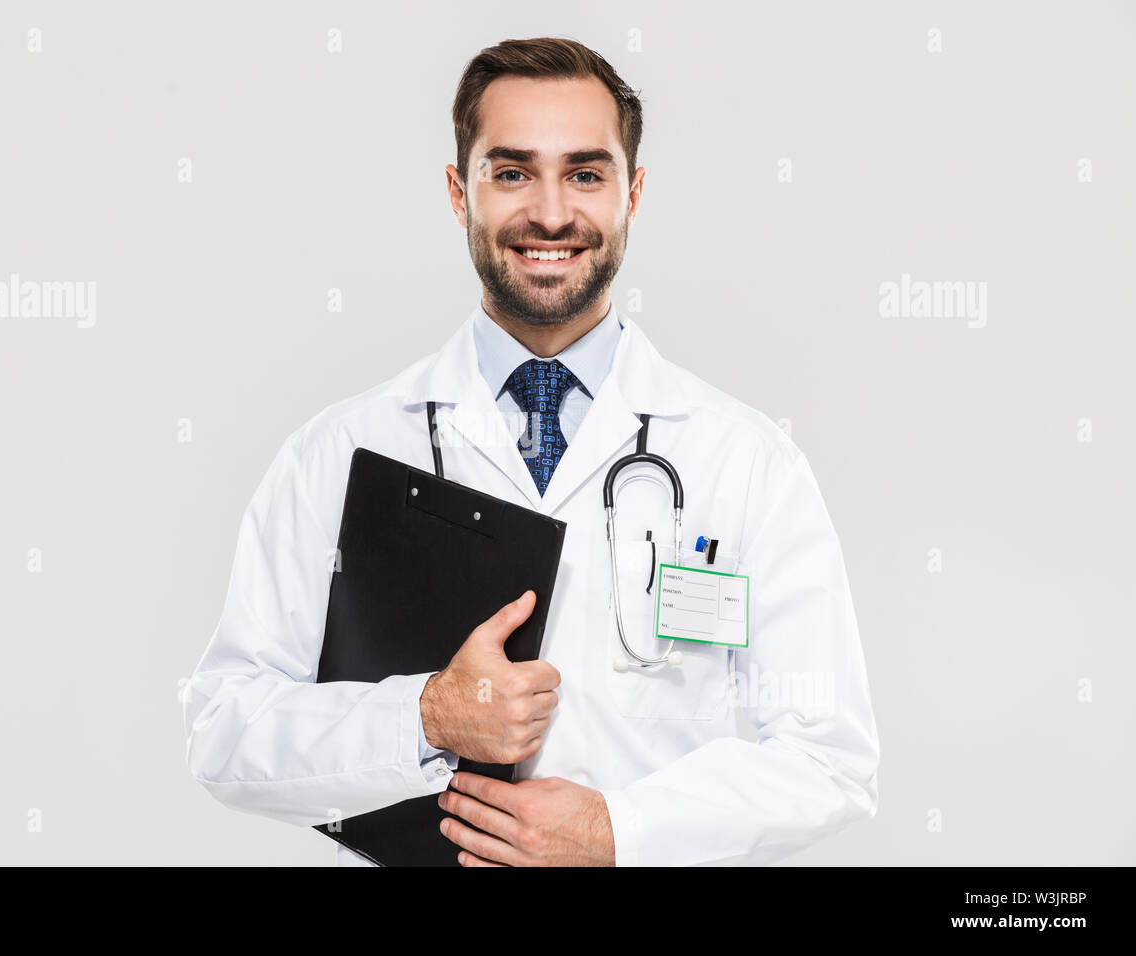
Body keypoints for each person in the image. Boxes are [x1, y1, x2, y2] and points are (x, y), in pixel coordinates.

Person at [182, 36, 880, 866]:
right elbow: (223, 731)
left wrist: (618, 833)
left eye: (586, 173)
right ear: (458, 191)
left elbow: (828, 759)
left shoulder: (748, 461)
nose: (550, 214)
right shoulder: (337, 452)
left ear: (634, 193)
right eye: (511, 172)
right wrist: (424, 717)